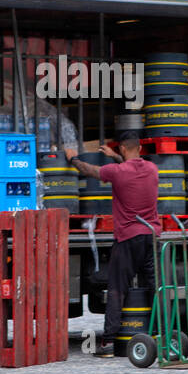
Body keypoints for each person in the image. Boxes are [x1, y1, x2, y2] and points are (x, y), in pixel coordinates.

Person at [65, 131, 160, 357]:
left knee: (118, 289)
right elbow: (130, 167)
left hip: (128, 238)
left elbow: (90, 171)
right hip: (152, 236)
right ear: (140, 148)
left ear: (123, 149)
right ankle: (163, 332)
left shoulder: (117, 172)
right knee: (158, 288)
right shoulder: (151, 169)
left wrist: (72, 158)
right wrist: (115, 156)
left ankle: (108, 342)